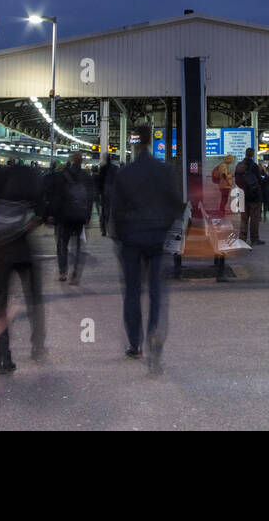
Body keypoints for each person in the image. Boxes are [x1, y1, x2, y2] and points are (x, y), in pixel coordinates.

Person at [113, 125, 182, 372]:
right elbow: (176, 205)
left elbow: (116, 210)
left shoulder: (124, 173)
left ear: (134, 143)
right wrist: (164, 228)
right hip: (156, 239)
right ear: (150, 141)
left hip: (131, 239)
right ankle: (154, 333)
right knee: (156, 292)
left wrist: (119, 236)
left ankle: (135, 344)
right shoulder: (164, 171)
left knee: (132, 292)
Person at [0, 159, 46, 371]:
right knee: (34, 298)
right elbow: (41, 214)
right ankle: (37, 345)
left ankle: (3, 358)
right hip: (24, 250)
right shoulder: (30, 181)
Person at [50, 151, 93, 284]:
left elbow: (56, 196)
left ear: (71, 161)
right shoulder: (86, 176)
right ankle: (75, 272)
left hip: (64, 216)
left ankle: (63, 271)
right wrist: (88, 215)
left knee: (62, 244)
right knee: (78, 245)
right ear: (81, 162)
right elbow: (90, 197)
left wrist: (52, 214)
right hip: (79, 215)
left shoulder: (62, 175)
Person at [235, 148, 265, 245]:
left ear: (245, 154)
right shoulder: (254, 166)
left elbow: (236, 181)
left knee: (244, 219)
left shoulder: (239, 166)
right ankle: (254, 239)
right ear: (253, 155)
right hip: (254, 196)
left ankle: (242, 238)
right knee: (254, 219)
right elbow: (259, 181)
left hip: (242, 195)